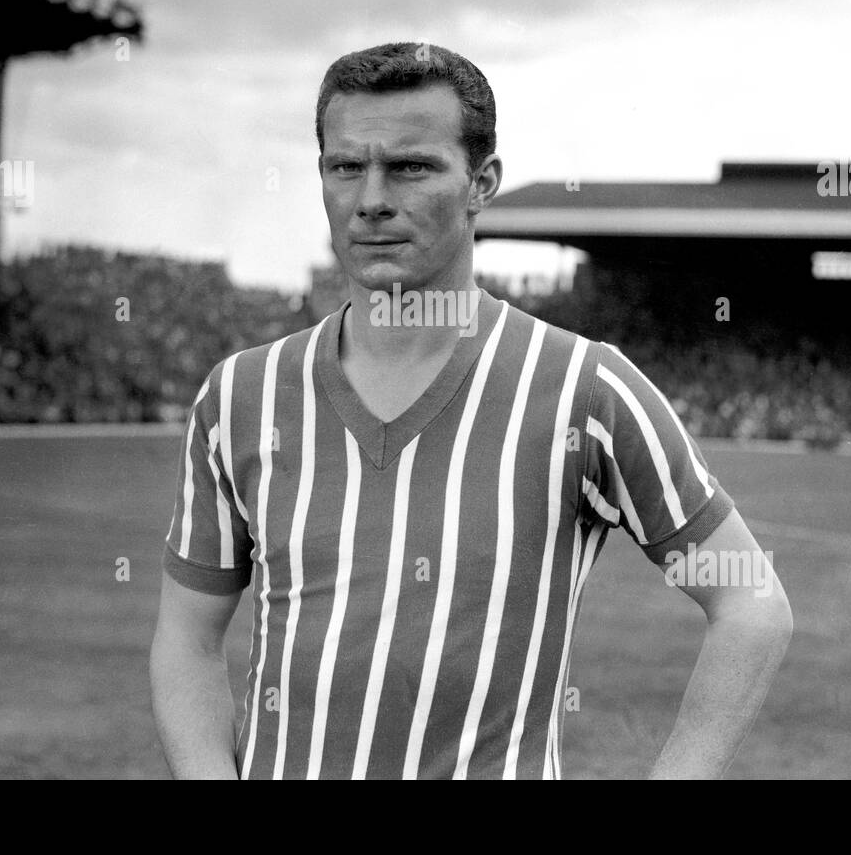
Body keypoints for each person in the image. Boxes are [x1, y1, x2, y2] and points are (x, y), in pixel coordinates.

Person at [149, 42, 793, 779]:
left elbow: (751, 604)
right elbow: (188, 639)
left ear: (481, 182)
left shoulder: (586, 389)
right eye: (345, 166)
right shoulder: (239, 396)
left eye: (411, 167)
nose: (371, 199)